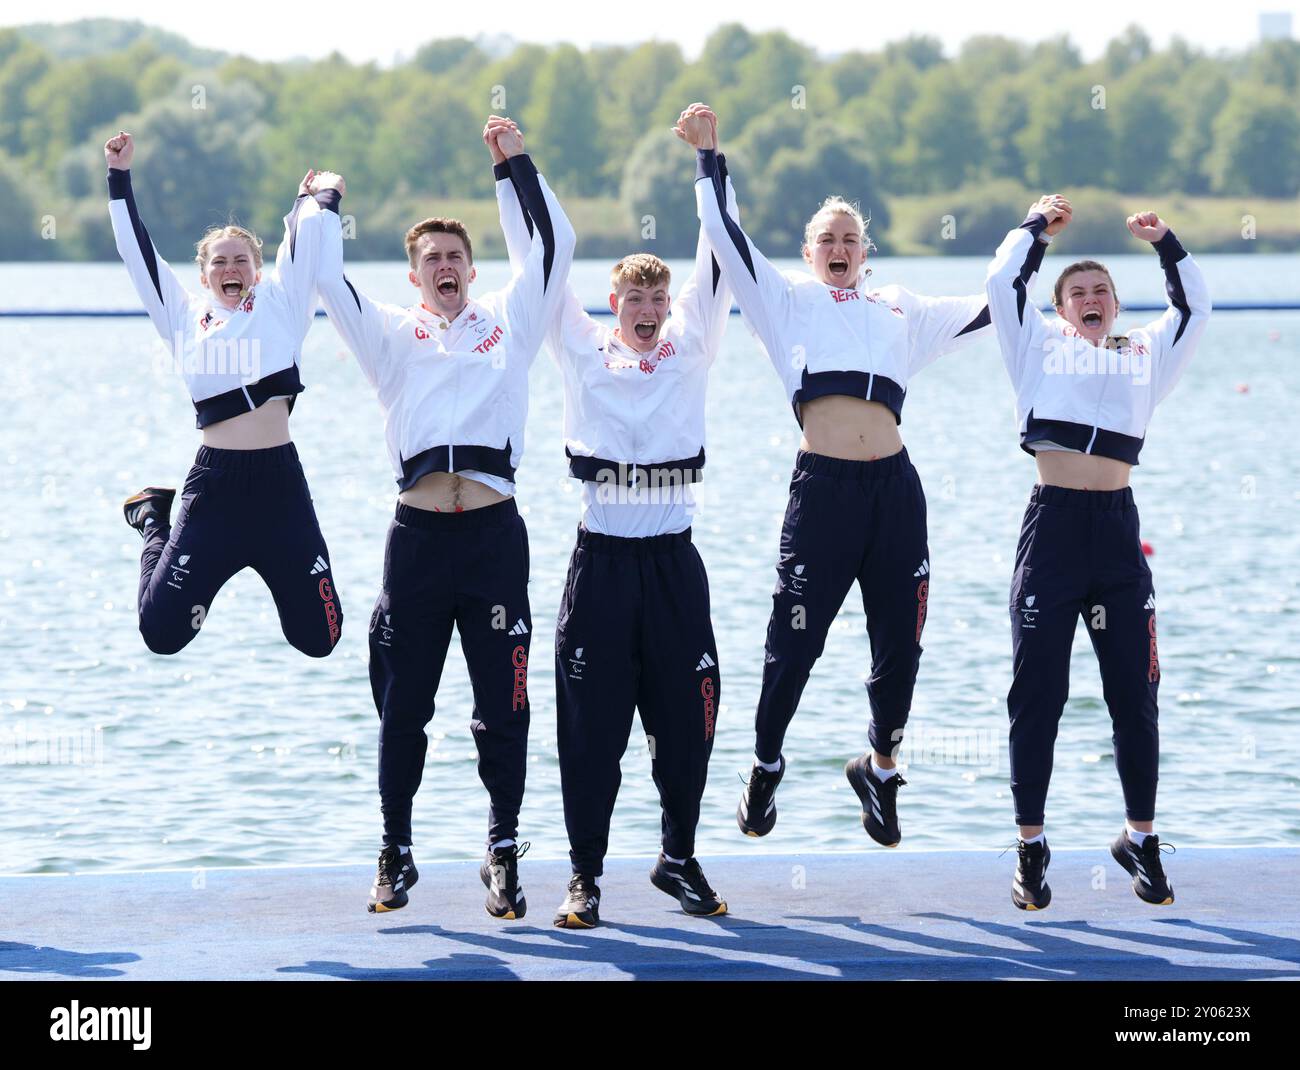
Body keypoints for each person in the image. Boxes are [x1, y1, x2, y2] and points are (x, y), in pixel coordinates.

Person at [693, 109, 992, 848]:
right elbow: (726, 239)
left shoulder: (901, 309)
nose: (838, 247)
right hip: (823, 494)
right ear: (807, 250)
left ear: (868, 252)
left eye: (850, 239)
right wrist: (709, 159)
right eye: (826, 238)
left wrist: (1035, 237)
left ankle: (881, 771)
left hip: (894, 493)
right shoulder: (784, 299)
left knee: (901, 643)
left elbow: (1001, 308)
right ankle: (765, 766)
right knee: (793, 644)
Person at [315, 118, 575, 917]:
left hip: (495, 538)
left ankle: (502, 851)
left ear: (472, 268)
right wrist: (320, 200)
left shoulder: (508, 321)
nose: (445, 267)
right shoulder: (392, 334)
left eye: (456, 257)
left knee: (505, 706)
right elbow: (322, 276)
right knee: (405, 709)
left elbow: (554, 247)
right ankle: (395, 851)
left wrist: (513, 168)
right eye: (430, 260)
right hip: (419, 541)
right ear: (414, 276)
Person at [490, 109, 735, 928]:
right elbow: (537, 265)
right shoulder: (582, 345)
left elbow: (720, 257)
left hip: (673, 562)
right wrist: (514, 171)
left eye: (659, 297)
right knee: (591, 734)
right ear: (613, 301)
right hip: (601, 565)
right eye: (637, 297)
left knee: (690, 720)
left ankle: (679, 857)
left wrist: (708, 160)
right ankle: (585, 878)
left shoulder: (693, 345)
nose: (651, 308)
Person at [986, 196, 1211, 909]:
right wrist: (1033, 231)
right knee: (1038, 698)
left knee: (1134, 696)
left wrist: (1166, 242)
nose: (1091, 299)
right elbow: (1001, 287)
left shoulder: (1145, 353)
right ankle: (1029, 846)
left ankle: (1139, 839)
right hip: (1051, 530)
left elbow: (1194, 310)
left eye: (1101, 292)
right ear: (1058, 308)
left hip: (1116, 534)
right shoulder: (1036, 345)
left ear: (1115, 307)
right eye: (1077, 292)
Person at [106, 130, 345, 659]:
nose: (231, 269)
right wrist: (119, 179)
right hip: (216, 487)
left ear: (257, 271)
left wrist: (319, 198)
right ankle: (152, 519)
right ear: (203, 274)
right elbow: (136, 251)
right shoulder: (183, 316)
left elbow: (309, 248)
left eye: (241, 261)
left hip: (280, 484)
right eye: (219, 262)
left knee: (320, 637)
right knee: (162, 634)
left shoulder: (283, 304)